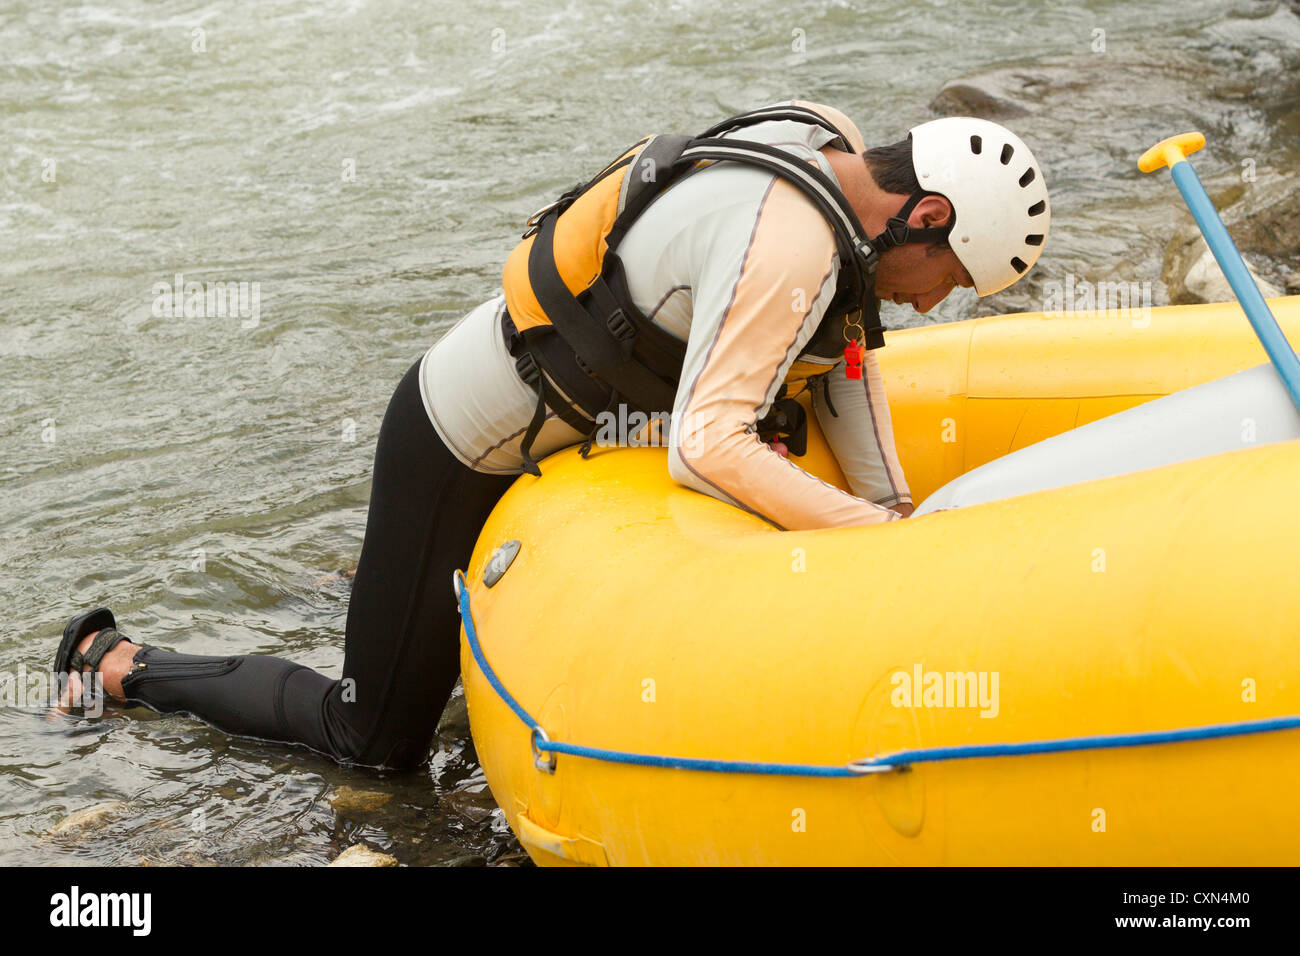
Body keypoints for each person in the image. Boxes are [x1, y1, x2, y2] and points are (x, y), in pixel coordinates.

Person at [53, 102, 1049, 770]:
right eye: (952, 277)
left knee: (405, 660)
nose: (933, 304)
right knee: (372, 739)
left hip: (550, 436)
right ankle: (115, 661)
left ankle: (352, 601)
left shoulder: (827, 152)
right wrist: (877, 543)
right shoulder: (789, 240)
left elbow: (842, 367)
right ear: (920, 214)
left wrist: (903, 520)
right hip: (453, 447)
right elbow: (706, 444)